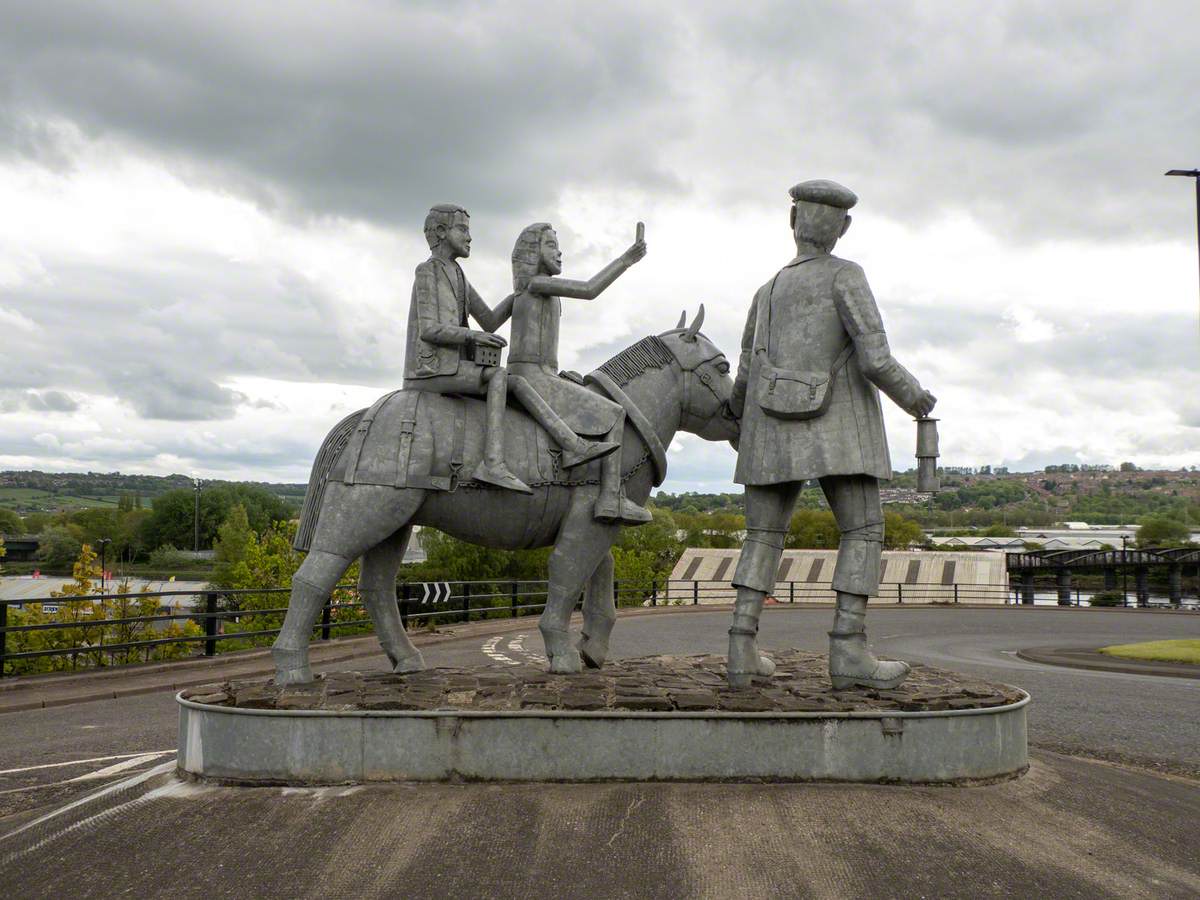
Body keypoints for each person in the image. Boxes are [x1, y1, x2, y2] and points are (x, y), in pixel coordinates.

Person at [726, 180, 937, 689]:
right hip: (842, 432)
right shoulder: (847, 275)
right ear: (843, 227)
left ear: (792, 222)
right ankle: (848, 651)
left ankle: (740, 648)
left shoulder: (766, 291)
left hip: (768, 433)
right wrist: (916, 397)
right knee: (862, 530)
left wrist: (738, 424)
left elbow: (746, 374)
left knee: (762, 536)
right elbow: (875, 359)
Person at [404, 204, 617, 493]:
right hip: (430, 369)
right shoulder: (427, 271)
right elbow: (429, 329)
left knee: (515, 382)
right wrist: (473, 337)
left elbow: (490, 321)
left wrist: (522, 290)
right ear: (441, 232)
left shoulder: (458, 275)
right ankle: (492, 463)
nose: (469, 237)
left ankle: (572, 444)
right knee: (498, 376)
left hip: (452, 366)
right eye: (462, 229)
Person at [506, 221, 650, 524]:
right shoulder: (537, 284)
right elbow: (588, 289)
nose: (559, 253)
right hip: (534, 377)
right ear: (532, 252)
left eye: (558, 246)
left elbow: (488, 320)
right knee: (614, 414)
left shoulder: (524, 292)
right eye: (551, 245)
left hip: (542, 374)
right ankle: (610, 497)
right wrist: (626, 259)